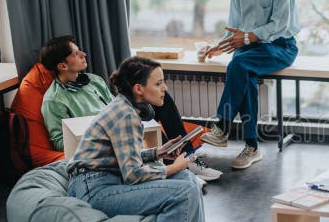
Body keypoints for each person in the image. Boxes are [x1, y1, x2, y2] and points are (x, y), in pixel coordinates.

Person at [66, 56, 230, 222]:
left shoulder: (125, 108)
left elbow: (122, 157)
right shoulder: (126, 116)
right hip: (94, 188)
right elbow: (133, 174)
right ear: (138, 89)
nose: (165, 89)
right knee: (183, 188)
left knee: (188, 179)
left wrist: (158, 153)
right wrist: (173, 166)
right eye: (159, 83)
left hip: (106, 178)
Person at [39, 36, 222, 183]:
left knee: (162, 98)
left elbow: (115, 104)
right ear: (62, 66)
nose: (84, 54)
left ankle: (187, 155)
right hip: (103, 136)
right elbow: (60, 141)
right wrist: (99, 131)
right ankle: (179, 167)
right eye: (76, 54)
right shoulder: (53, 100)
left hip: (120, 120)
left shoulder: (93, 80)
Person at [199, 0, 300, 169]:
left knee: (240, 65)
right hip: (250, 46)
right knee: (245, 73)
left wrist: (245, 38)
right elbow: (235, 23)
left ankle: (223, 126)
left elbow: (280, 25)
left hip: (281, 46)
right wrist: (220, 46)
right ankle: (252, 146)